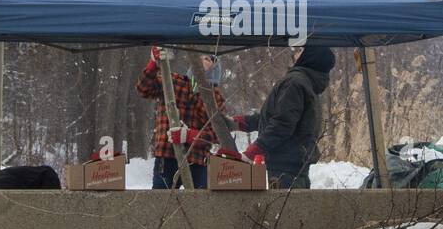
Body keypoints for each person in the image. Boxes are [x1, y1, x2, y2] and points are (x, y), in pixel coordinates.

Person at [233, 43, 335, 189]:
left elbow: (282, 124)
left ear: (311, 57)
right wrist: (241, 122)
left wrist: (254, 150)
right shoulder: (307, 84)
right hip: (294, 165)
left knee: (284, 211)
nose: (296, 53)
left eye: (301, 50)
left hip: (283, 167)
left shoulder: (295, 82)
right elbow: (276, 116)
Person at [136, 46, 224, 189]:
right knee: (161, 201)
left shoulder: (215, 98)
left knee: (198, 204)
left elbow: (217, 133)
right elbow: (143, 88)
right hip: (166, 154)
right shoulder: (174, 81)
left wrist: (190, 136)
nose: (202, 60)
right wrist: (153, 63)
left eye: (207, 59)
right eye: (200, 57)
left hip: (197, 159)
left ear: (215, 67)